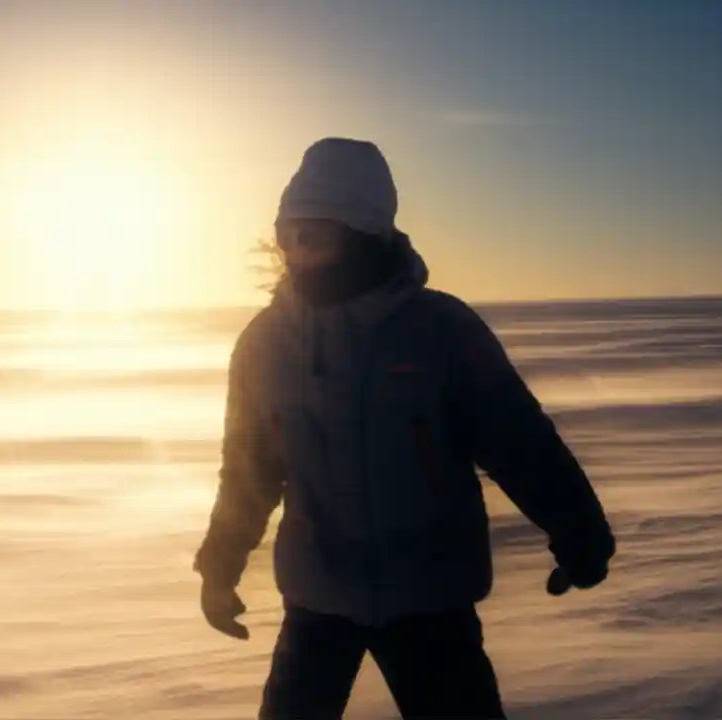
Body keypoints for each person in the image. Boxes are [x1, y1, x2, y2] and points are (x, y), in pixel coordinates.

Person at [193, 137, 616, 719]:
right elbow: (247, 472)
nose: (296, 252)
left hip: (431, 597)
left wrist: (579, 531)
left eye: (315, 235)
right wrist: (219, 567)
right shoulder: (265, 345)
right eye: (289, 233)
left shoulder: (440, 329)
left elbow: (520, 442)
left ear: (363, 235)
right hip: (319, 598)